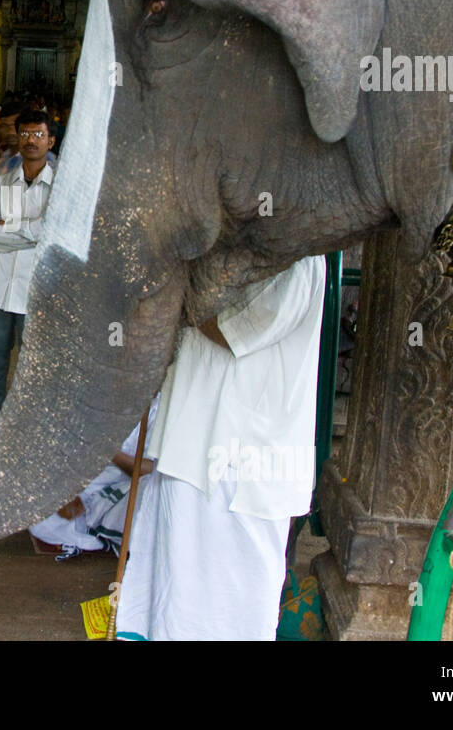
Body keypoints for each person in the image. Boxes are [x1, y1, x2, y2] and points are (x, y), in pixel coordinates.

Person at [115, 257, 326, 641]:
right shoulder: (238, 243)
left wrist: (172, 296)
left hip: (241, 465)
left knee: (229, 609)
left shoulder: (297, 261)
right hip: (189, 445)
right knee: (175, 597)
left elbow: (235, 331)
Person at [0, 110, 56, 435]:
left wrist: (8, 229)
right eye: (25, 134)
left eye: (38, 135)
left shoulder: (61, 188)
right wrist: (33, 231)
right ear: (17, 138)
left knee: (33, 375)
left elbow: (55, 232)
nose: (31, 140)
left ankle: (27, 441)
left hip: (36, 296)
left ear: (50, 141)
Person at [30, 400, 158, 559]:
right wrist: (66, 488)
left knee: (152, 498)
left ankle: (105, 530)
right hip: (94, 486)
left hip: (133, 490)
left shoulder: (163, 408)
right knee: (39, 517)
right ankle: (99, 530)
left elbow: (154, 470)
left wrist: (111, 451)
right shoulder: (100, 397)